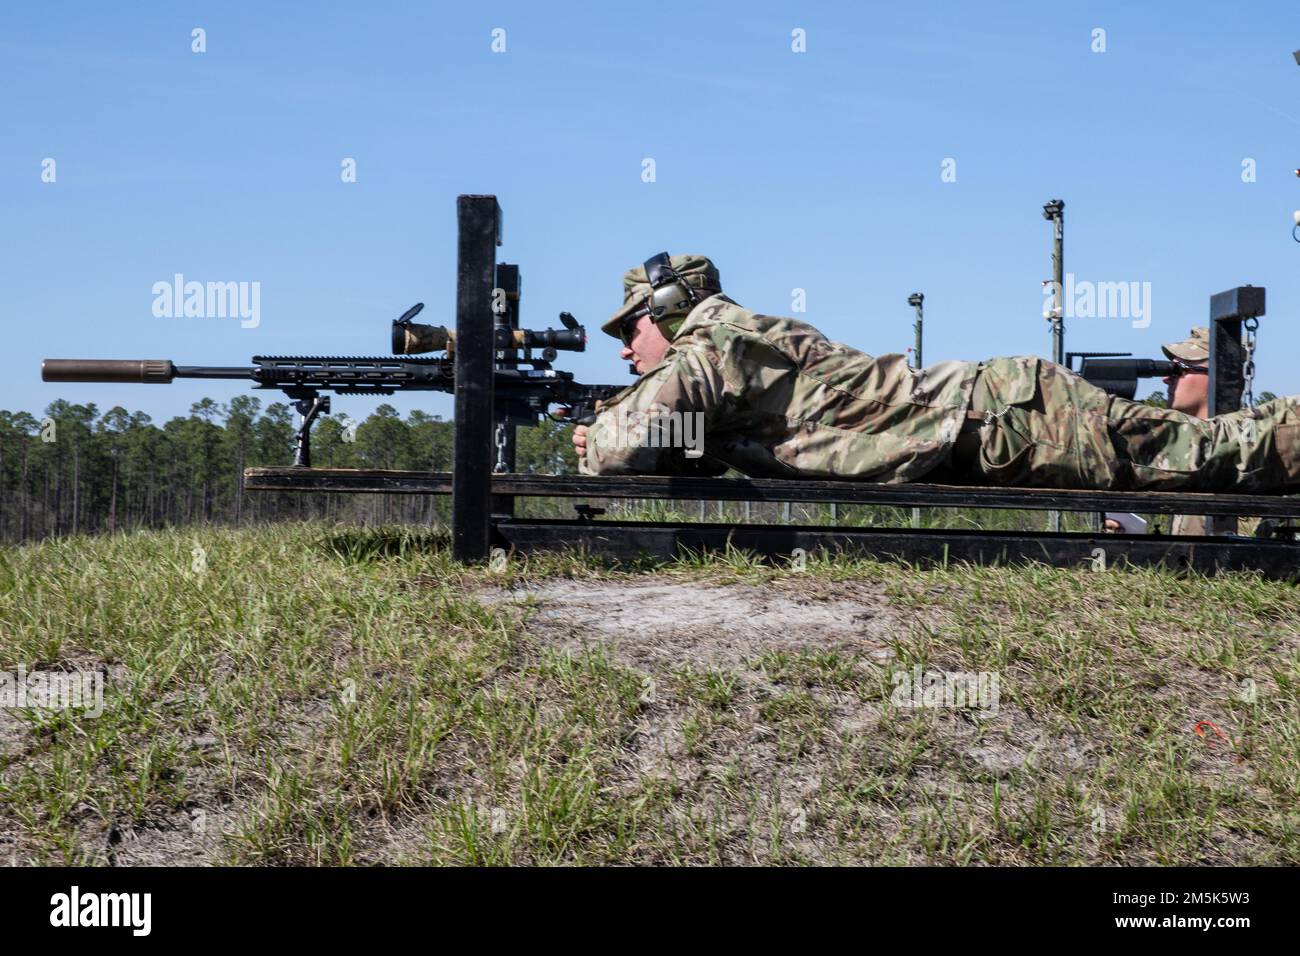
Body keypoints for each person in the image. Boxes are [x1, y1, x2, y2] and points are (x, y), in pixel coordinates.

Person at [573, 254, 1300, 496]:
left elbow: (619, 451)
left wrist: (597, 433)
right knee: (1214, 449)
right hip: (996, 416)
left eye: (629, 326)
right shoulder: (731, 346)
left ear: (668, 310)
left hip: (1002, 421)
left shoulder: (710, 346)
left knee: (1213, 456)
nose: (624, 348)